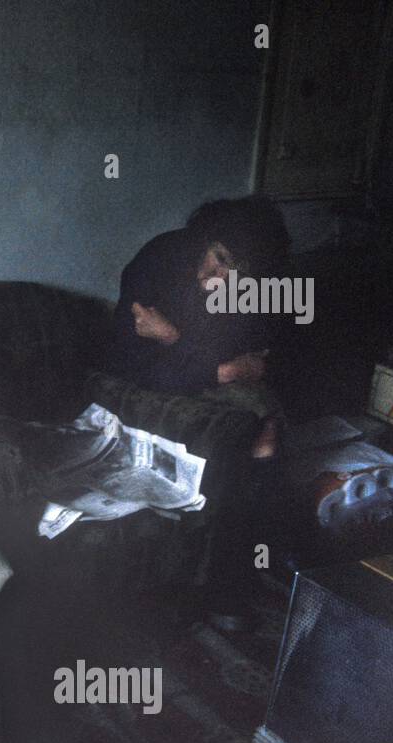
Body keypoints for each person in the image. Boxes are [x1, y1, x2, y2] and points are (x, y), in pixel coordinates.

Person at [105, 196, 293, 629]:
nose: (215, 274)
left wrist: (179, 341)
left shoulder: (250, 292)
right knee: (248, 429)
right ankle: (223, 585)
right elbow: (141, 363)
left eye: (232, 270)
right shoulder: (159, 259)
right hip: (141, 384)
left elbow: (258, 357)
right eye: (218, 256)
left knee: (265, 433)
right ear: (207, 239)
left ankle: (238, 575)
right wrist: (212, 362)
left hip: (200, 381)